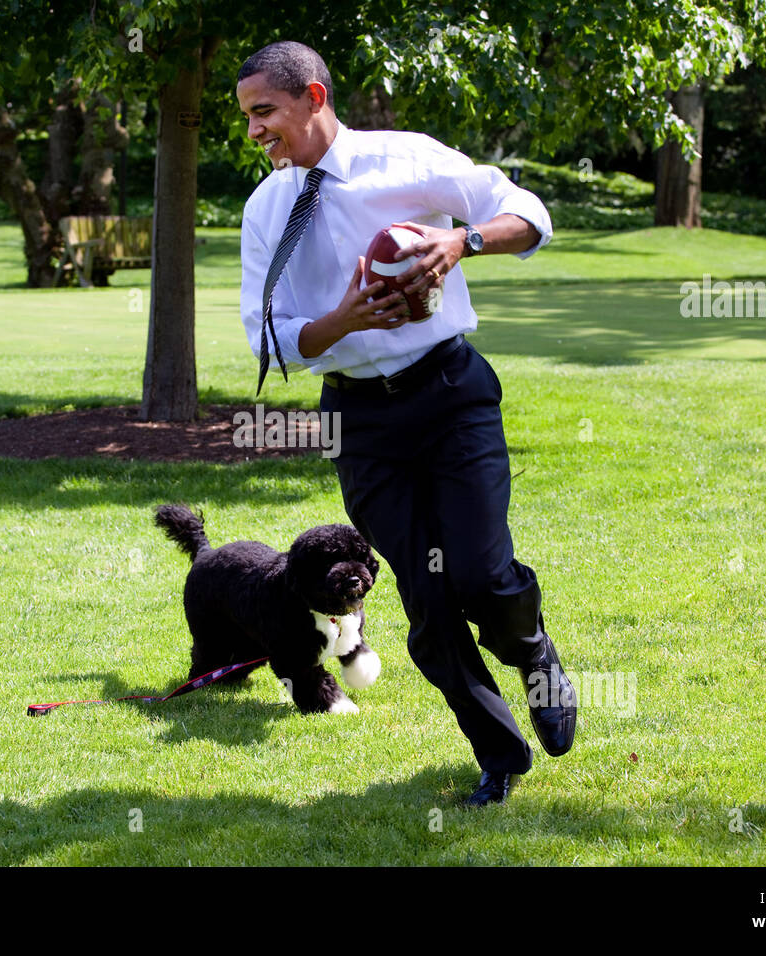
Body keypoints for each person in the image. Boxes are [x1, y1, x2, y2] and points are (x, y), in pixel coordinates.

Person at [236, 41, 576, 806]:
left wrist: (463, 240)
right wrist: (341, 319)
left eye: (266, 112)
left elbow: (530, 213)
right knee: (427, 604)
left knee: (484, 577)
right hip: (360, 422)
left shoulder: (407, 160)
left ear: (314, 99)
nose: (256, 131)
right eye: (248, 118)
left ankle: (536, 656)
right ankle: (499, 756)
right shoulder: (265, 210)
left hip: (451, 394)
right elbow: (267, 335)